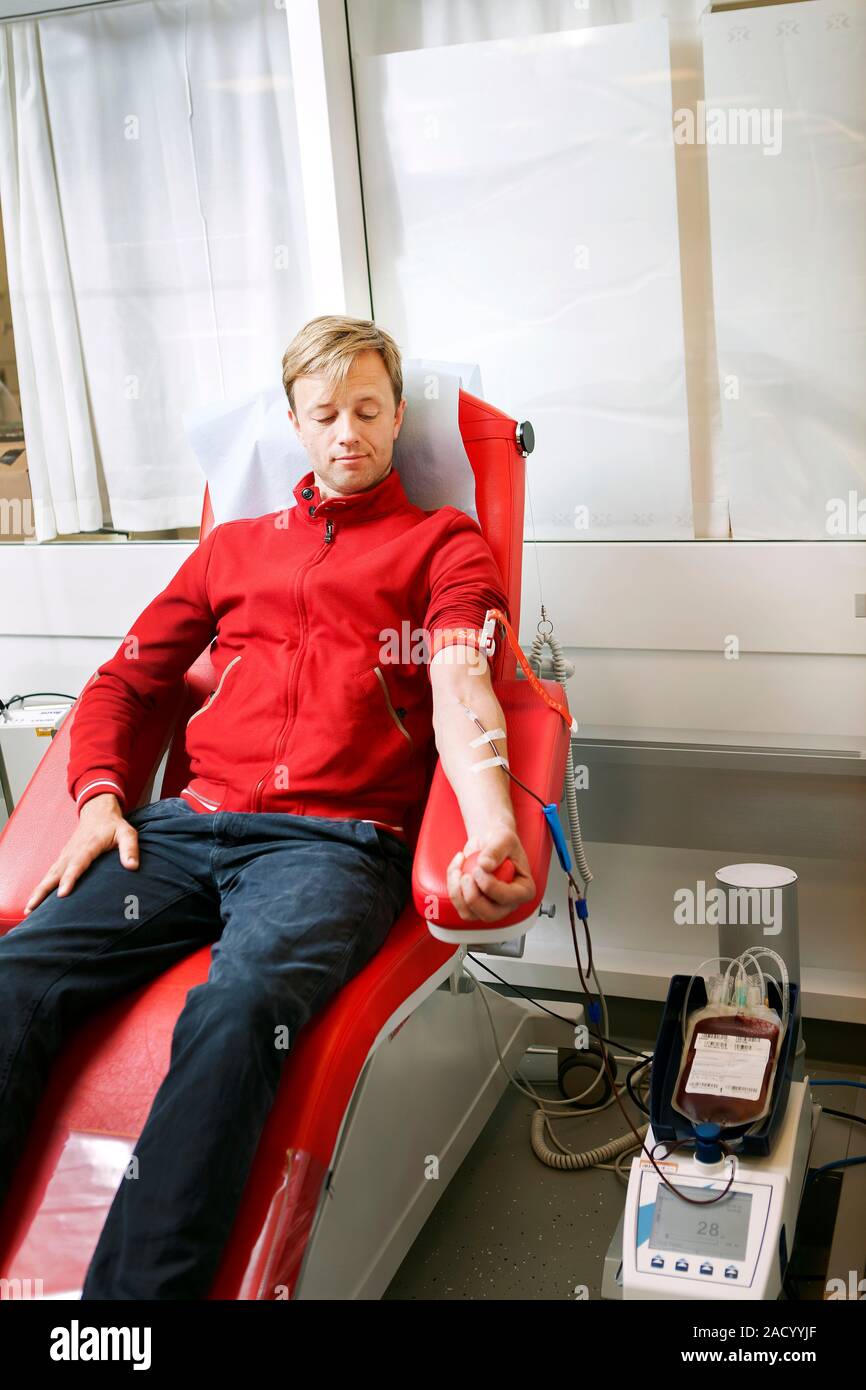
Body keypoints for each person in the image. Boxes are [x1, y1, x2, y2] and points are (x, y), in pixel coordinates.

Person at [0, 315, 535, 1299]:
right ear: (293, 421)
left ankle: (130, 1316)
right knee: (16, 970)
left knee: (240, 1010)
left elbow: (465, 680)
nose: (347, 433)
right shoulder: (233, 550)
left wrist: (492, 821)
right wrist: (100, 800)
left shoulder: (439, 543)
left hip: (330, 847)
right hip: (182, 827)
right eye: (324, 413)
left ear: (395, 412)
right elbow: (122, 679)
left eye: (368, 410)